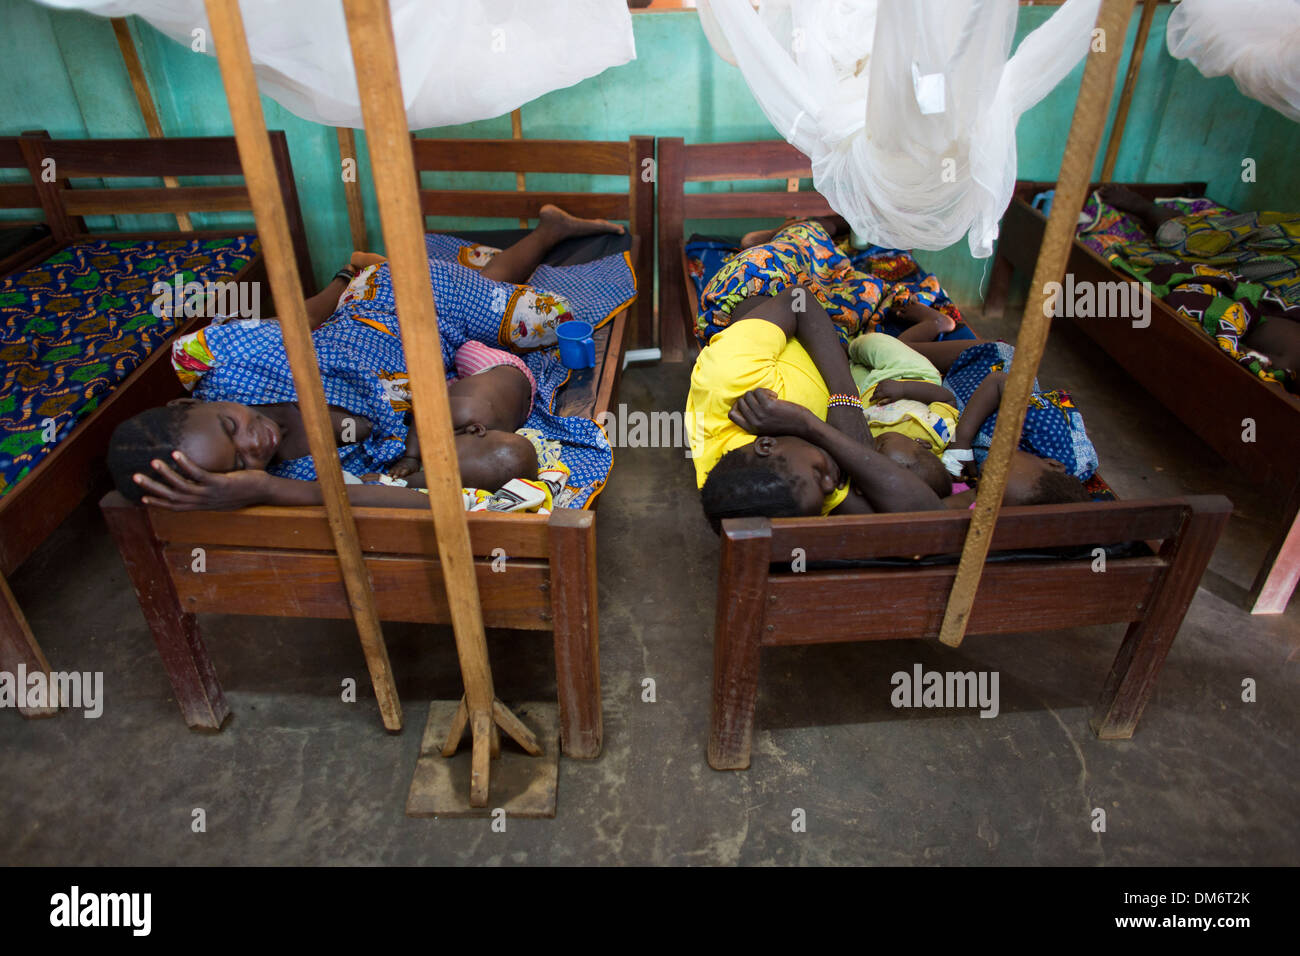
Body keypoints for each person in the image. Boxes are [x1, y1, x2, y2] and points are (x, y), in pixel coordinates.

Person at [111, 205, 627, 511]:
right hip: (411, 389)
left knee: (547, 323)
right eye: (240, 461)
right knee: (508, 457)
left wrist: (342, 284)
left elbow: (301, 320)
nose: (255, 441)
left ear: (187, 405)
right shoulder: (282, 480)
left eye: (229, 425)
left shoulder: (226, 359)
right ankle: (460, 313)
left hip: (387, 311)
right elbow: (385, 499)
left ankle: (547, 231)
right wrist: (262, 485)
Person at [689, 287, 949, 530]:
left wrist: (846, 400)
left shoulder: (730, 379)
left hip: (761, 287)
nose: (832, 484)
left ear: (766, 445)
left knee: (858, 281)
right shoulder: (780, 491)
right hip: (835, 344)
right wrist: (810, 425)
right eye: (827, 493)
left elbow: (798, 299)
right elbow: (927, 522)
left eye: (819, 474)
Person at [695, 216, 961, 345]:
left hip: (799, 254)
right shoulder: (802, 233)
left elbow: (751, 243)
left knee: (810, 252)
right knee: (853, 291)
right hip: (796, 259)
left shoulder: (807, 231)